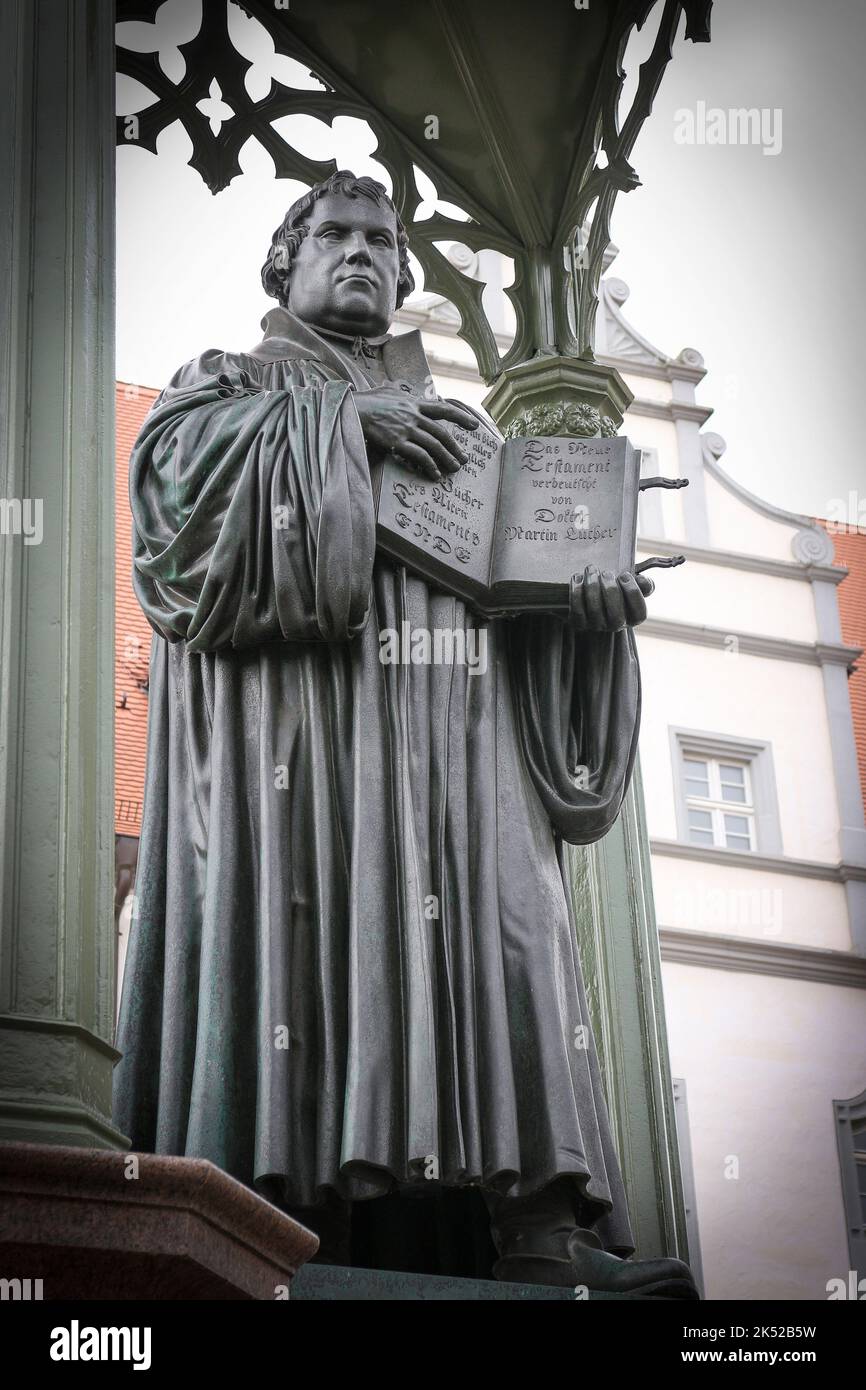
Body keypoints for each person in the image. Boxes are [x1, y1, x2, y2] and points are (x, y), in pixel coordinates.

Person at [114, 170, 696, 1297]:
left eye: (383, 242)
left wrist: (584, 621)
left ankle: (539, 1226)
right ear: (283, 263)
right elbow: (176, 539)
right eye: (333, 235)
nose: (363, 254)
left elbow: (526, 599)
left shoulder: (478, 441)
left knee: (516, 923)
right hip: (294, 743)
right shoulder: (221, 385)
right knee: (297, 938)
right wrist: (346, 421)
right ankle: (261, 1210)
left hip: (457, 749)